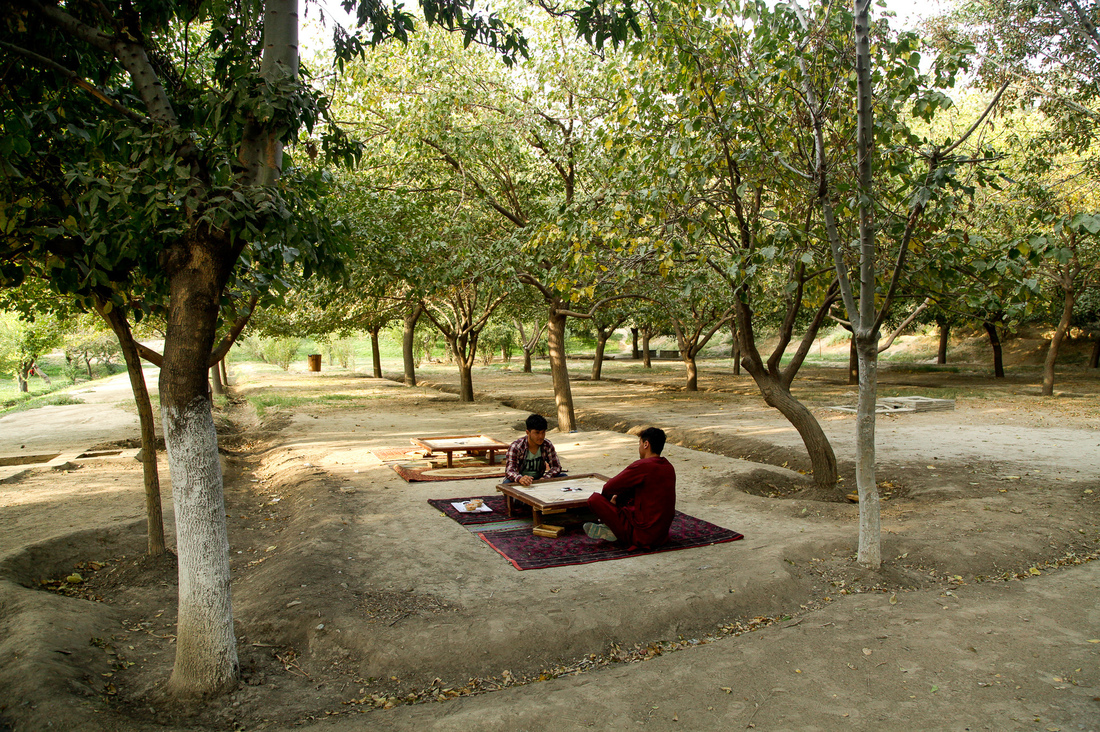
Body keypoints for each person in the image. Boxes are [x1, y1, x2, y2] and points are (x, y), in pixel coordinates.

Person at [584, 426, 676, 550]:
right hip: (662, 535)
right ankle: (611, 526)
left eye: (639, 444)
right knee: (625, 496)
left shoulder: (643, 466)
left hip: (642, 536)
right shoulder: (669, 467)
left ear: (646, 444)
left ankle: (610, 528)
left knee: (594, 499)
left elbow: (609, 487)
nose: (639, 448)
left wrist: (609, 504)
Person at [504, 414, 564, 486]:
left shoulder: (547, 445)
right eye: (537, 433)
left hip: (540, 478)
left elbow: (556, 467)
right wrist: (520, 478)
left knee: (564, 477)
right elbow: (509, 471)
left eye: (543, 432)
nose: (541, 436)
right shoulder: (516, 447)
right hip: (521, 480)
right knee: (507, 484)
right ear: (528, 432)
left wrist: (545, 478)